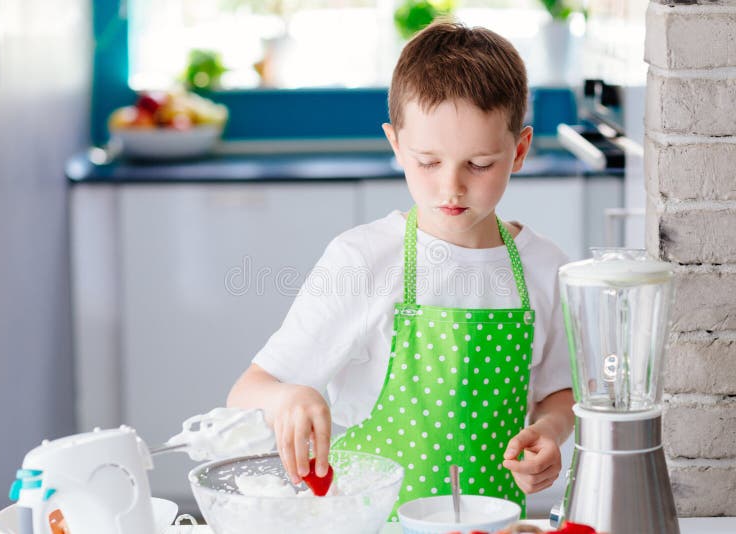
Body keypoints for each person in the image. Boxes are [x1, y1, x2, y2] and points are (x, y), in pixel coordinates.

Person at [227, 20, 575, 519]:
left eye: (478, 164)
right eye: (427, 162)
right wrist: (290, 397)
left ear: (518, 151)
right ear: (396, 144)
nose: (450, 187)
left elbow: (557, 391)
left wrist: (549, 431)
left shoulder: (545, 268)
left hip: (496, 523)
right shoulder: (364, 261)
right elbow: (248, 390)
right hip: (369, 523)